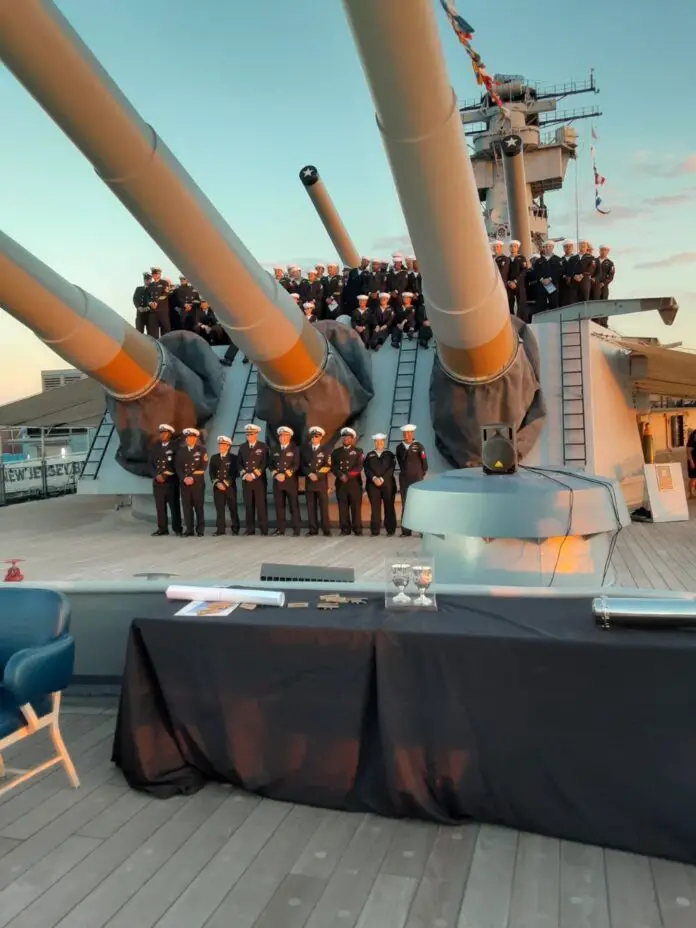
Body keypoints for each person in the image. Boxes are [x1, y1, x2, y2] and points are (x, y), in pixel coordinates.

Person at [148, 423, 182, 536]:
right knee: (160, 507)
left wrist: (166, 475)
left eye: (165, 433)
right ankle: (162, 529)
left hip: (171, 482)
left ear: (170, 434)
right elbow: (150, 464)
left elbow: (178, 463)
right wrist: (156, 475)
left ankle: (177, 528)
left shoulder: (175, 447)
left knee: (174, 506)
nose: (163, 435)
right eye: (161, 433)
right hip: (158, 483)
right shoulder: (155, 447)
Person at [175, 427, 208, 537]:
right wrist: (184, 478)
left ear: (196, 438)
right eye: (188, 437)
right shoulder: (181, 451)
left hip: (197, 484)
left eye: (192, 437)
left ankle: (200, 530)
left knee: (199, 507)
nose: (190, 439)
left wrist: (192, 477)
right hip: (185, 484)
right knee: (187, 507)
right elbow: (178, 467)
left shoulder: (201, 450)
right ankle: (189, 529)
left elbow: (203, 466)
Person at [396, 423, 428, 536]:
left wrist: (420, 474)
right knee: (406, 504)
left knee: (419, 504)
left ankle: (422, 530)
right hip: (404, 479)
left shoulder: (419, 446)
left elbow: (424, 463)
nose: (407, 435)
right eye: (405, 433)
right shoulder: (399, 447)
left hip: (417, 478)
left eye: (409, 433)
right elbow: (400, 461)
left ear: (412, 433)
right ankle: (406, 531)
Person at [331, 427, 364, 536]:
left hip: (354, 483)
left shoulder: (358, 451)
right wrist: (340, 475)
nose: (346, 439)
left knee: (355, 507)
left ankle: (357, 529)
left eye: (348, 437)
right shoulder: (336, 452)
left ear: (352, 439)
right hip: (341, 483)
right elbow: (333, 467)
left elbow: (359, 466)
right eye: (344, 437)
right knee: (343, 507)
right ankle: (345, 529)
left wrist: (348, 476)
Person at [238, 423, 269, 535]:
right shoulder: (242, 447)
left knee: (261, 505)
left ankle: (264, 529)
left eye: (251, 434)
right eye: (248, 434)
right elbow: (239, 463)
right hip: (246, 480)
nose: (249, 436)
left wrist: (254, 474)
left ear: (256, 434)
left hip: (259, 480)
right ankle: (250, 529)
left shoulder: (263, 446)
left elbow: (265, 462)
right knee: (248, 505)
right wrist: (245, 475)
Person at [270, 426, 301, 536]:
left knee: (293, 506)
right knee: (279, 506)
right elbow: (270, 464)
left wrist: (285, 474)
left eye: (285, 435)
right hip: (278, 481)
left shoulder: (295, 449)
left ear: (289, 437)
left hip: (290, 481)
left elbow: (296, 465)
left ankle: (296, 530)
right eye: (281, 436)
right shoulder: (274, 449)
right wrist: (276, 474)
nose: (282, 437)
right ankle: (280, 529)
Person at [301, 426, 332, 536]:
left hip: (321, 482)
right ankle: (313, 529)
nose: (314, 438)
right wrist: (309, 474)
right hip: (309, 482)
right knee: (311, 507)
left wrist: (317, 475)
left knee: (324, 507)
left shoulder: (325, 450)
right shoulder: (305, 450)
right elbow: (302, 465)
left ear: (321, 438)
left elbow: (328, 465)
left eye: (316, 436)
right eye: (312, 436)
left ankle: (326, 529)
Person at [364, 433, 397, 536]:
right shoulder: (369, 455)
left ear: (384, 442)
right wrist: (374, 478)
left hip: (388, 484)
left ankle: (390, 530)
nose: (380, 443)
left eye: (381, 441)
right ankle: (375, 530)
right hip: (373, 485)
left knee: (389, 507)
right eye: (377, 442)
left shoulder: (390, 454)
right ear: (375, 443)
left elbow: (391, 469)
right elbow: (367, 469)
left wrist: (382, 479)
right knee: (375, 508)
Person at [208, 435, 239, 536]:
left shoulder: (233, 458)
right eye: (220, 444)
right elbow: (211, 472)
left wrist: (226, 482)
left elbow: (236, 472)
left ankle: (235, 529)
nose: (221, 446)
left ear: (228, 446)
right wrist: (217, 483)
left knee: (233, 508)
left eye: (223, 445)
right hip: (218, 488)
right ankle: (220, 529)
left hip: (230, 487)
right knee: (220, 509)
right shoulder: (214, 458)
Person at [687, 429, 696, 499]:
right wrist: (691, 461)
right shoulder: (693, 436)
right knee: (693, 478)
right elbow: (688, 451)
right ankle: (690, 494)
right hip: (693, 460)